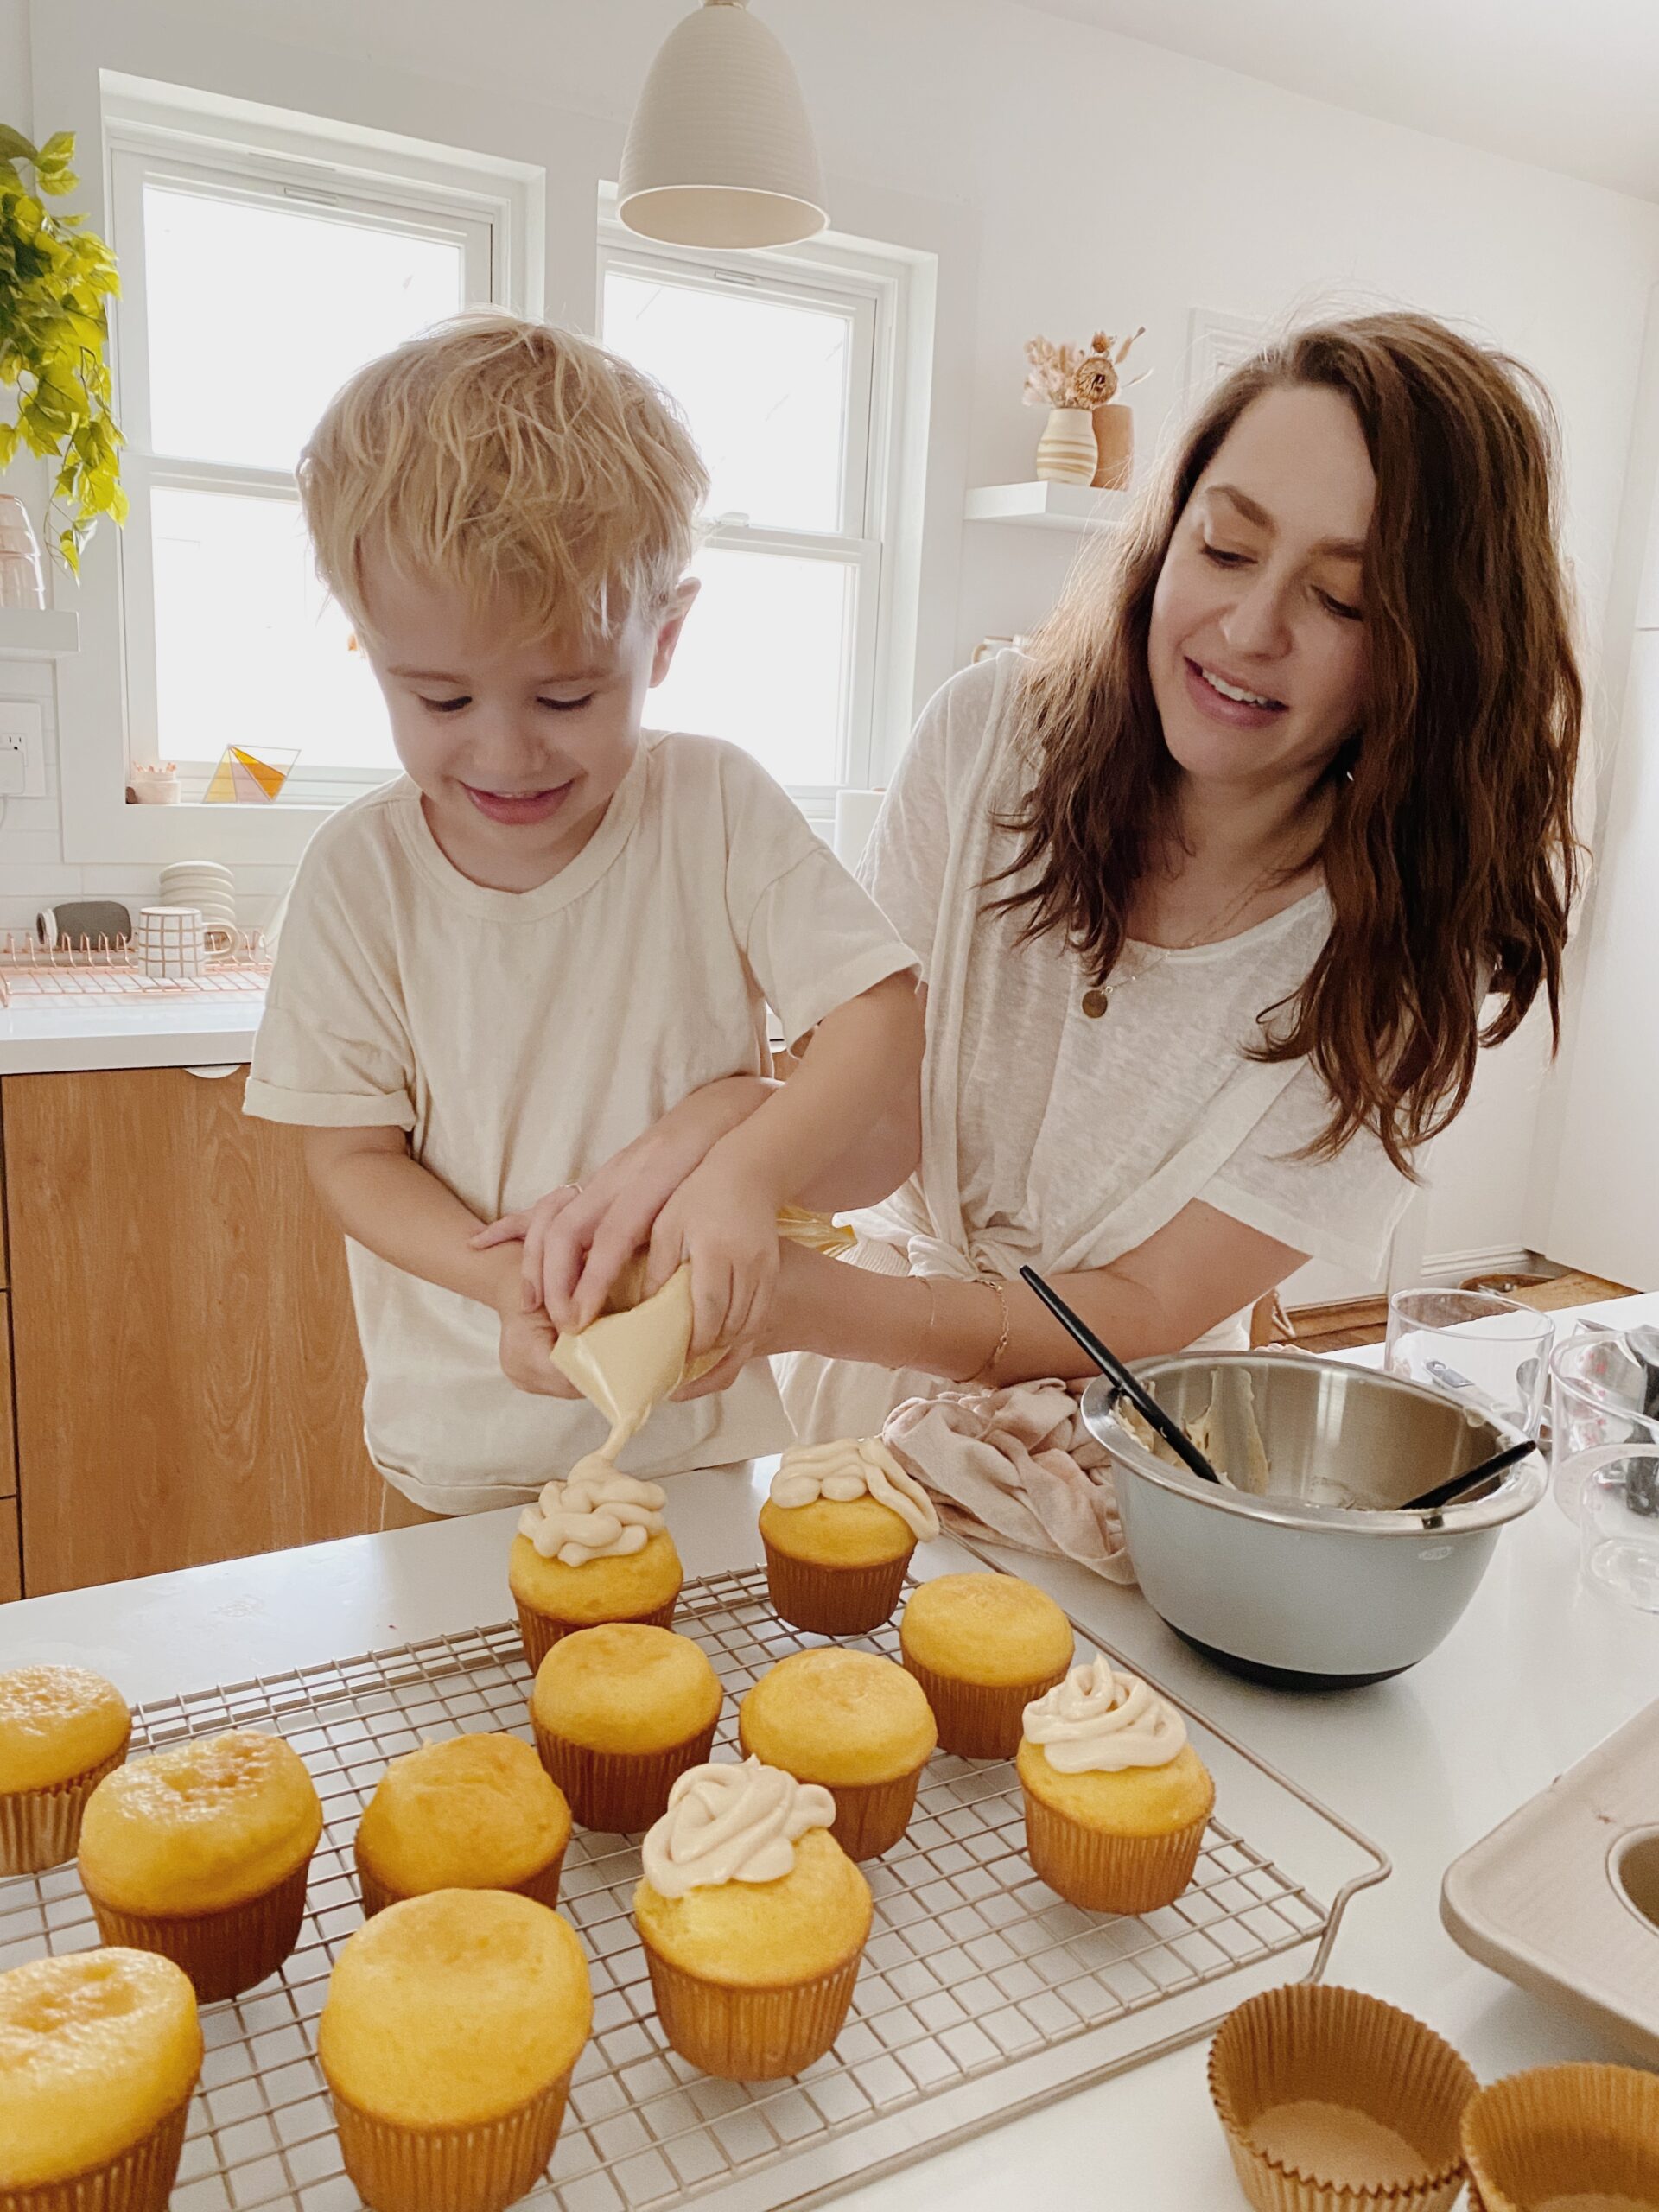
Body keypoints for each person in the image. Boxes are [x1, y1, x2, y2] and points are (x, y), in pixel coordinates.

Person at [524, 311, 1577, 1445]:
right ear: (1167, 538)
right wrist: (720, 1134)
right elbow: (871, 1102)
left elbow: (1150, 1308)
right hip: (862, 1409)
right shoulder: (990, 740)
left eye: (1342, 601)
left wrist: (799, 1300)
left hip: (1133, 1443)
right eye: (1224, 548)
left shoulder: (1403, 960)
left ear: (1438, 655)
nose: (1249, 625)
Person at [244, 314, 924, 1522]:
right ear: (371, 649)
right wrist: (503, 1281)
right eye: (441, 696)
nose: (505, 751)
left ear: (660, 640)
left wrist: (748, 1170)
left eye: (566, 692)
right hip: (460, 1454)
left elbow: (880, 1017)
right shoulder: (360, 875)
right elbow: (349, 1155)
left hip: (705, 1441)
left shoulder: (713, 805)